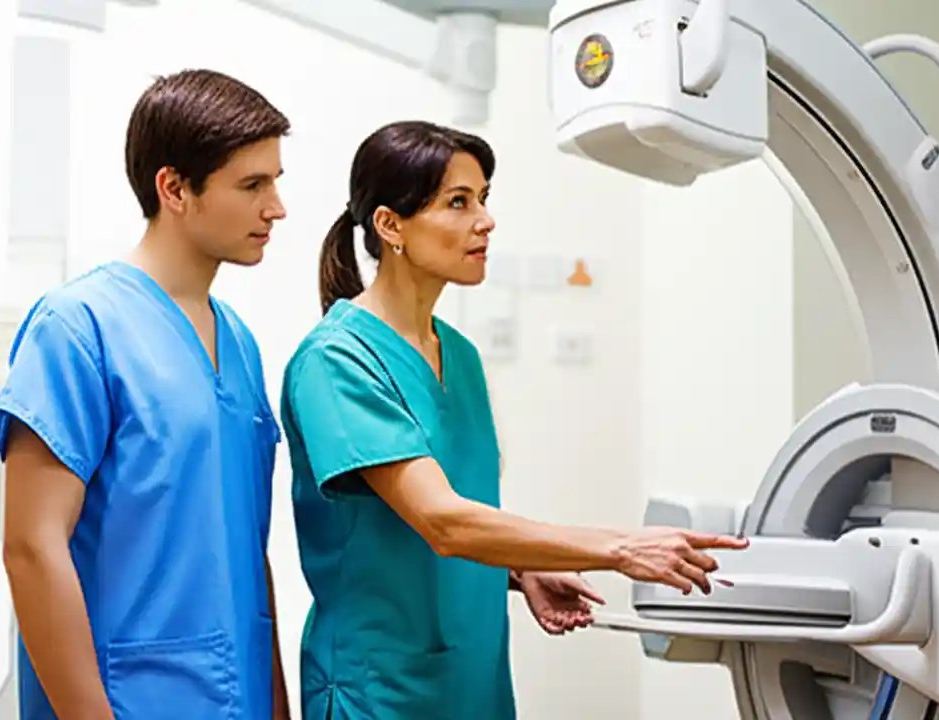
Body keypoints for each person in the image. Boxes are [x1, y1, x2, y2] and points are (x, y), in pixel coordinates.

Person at [279, 120, 749, 720]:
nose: (485, 220)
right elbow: (441, 521)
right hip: (382, 690)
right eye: (458, 202)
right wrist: (620, 547)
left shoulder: (461, 358)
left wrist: (521, 566)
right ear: (390, 225)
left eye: (483, 199)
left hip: (474, 679)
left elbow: (449, 516)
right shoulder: (337, 361)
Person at [0, 69, 292, 720]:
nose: (276, 208)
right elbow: (32, 546)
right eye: (253, 185)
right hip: (126, 699)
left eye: (275, 182)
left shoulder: (237, 343)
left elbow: (245, 544)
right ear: (174, 188)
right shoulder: (78, 329)